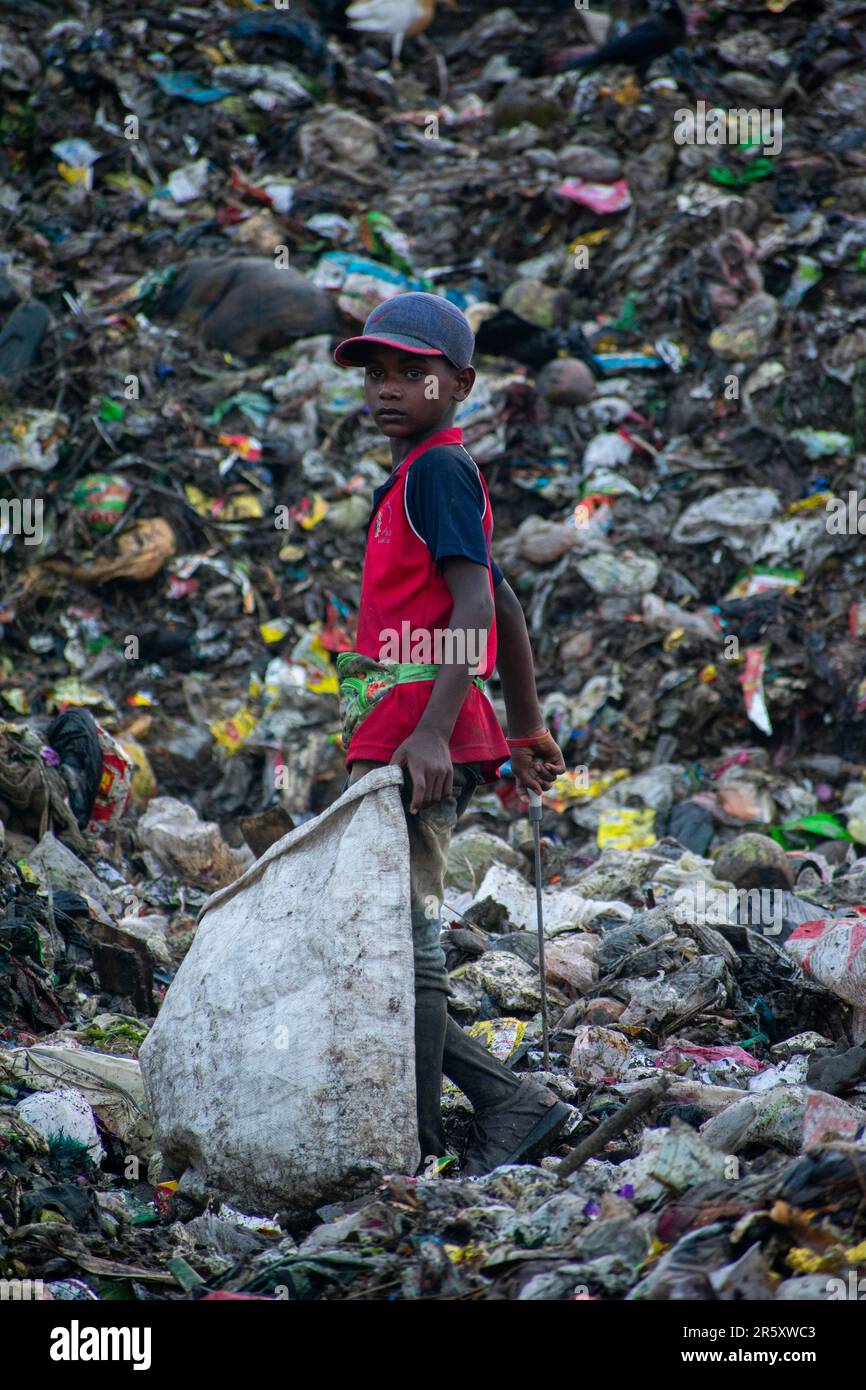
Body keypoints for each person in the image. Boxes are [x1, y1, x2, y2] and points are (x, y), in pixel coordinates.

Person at [334, 292, 570, 1175]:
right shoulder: (414, 478)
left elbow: (473, 604)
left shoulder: (438, 469)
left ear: (459, 383)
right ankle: (506, 1102)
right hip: (403, 735)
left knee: (407, 941)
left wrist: (437, 735)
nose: (389, 389)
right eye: (378, 374)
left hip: (417, 743)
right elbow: (500, 598)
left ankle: (423, 1149)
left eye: (412, 372)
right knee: (389, 936)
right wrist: (526, 724)